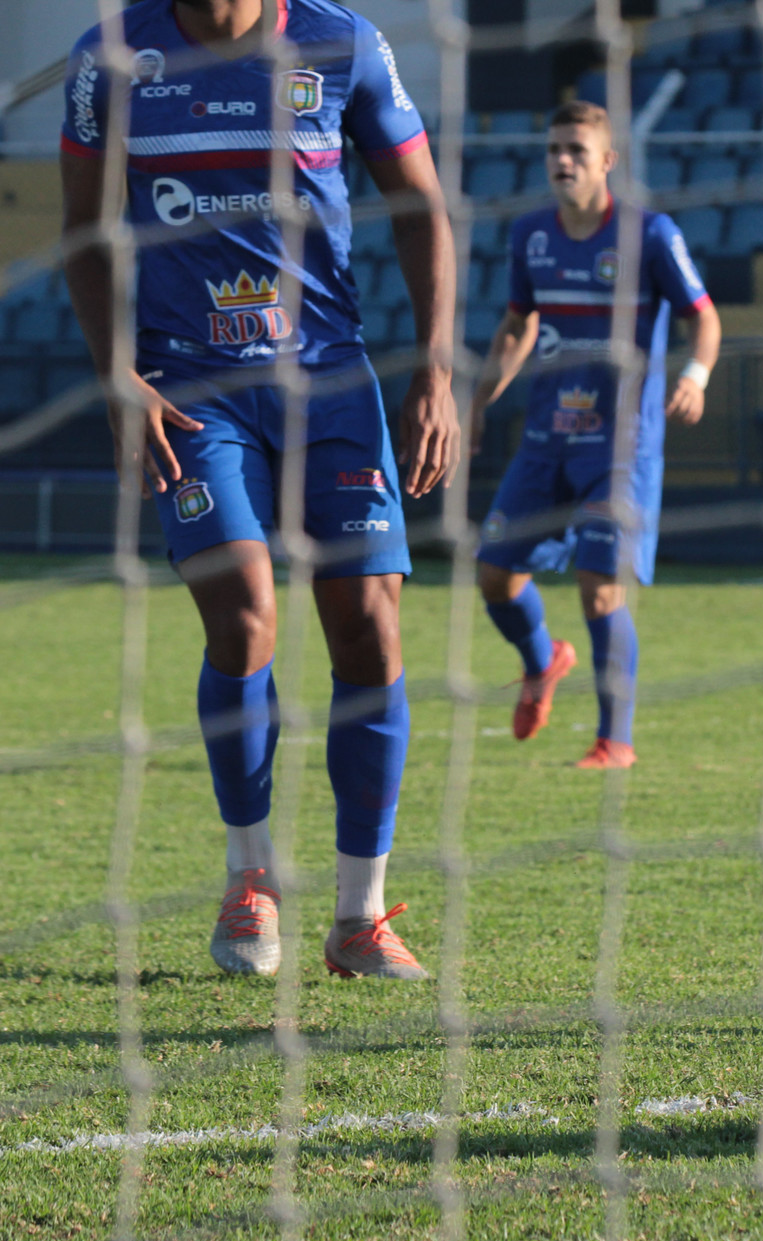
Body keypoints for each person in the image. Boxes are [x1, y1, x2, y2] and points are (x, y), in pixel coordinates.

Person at [61, 0, 460, 980]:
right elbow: (83, 229)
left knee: (368, 622)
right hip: (193, 391)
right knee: (243, 613)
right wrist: (118, 372)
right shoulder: (110, 55)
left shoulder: (345, 43)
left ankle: (359, 919)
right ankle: (250, 882)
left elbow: (421, 208)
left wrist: (436, 371)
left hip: (330, 383)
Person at [468, 100, 721, 769]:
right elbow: (518, 326)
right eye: (554, 149)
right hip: (546, 434)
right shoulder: (531, 235)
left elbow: (705, 318)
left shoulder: (650, 234)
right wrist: (474, 406)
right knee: (493, 573)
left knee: (599, 584)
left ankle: (615, 740)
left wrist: (695, 374)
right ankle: (542, 659)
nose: (562, 161)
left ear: (607, 161)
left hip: (620, 444)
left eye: (576, 150)